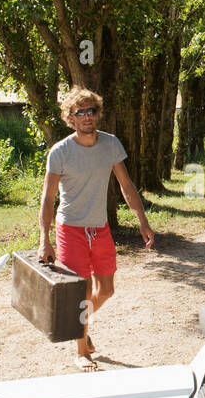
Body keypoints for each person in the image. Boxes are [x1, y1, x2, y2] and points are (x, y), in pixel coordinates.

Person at [38, 88, 155, 371]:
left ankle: (82, 326)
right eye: (81, 113)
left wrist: (142, 220)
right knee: (83, 290)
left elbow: (126, 186)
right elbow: (48, 198)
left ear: (98, 113)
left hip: (99, 228)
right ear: (70, 118)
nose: (88, 117)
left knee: (107, 290)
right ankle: (82, 352)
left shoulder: (110, 145)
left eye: (92, 111)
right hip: (71, 229)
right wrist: (45, 239)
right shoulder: (61, 152)